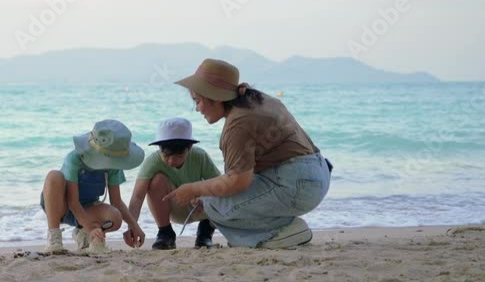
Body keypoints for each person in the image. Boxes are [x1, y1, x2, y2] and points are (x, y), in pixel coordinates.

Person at [168, 59, 332, 248]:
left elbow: (237, 182)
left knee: (212, 205)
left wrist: (194, 189)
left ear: (214, 96)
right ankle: (278, 231)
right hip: (317, 175)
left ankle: (279, 232)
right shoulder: (258, 100)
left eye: (197, 101)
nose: (197, 108)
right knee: (213, 198)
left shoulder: (238, 123)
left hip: (296, 184)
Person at [40, 119, 146, 253]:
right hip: (60, 206)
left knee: (115, 216)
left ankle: (85, 235)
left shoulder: (113, 166)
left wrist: (134, 226)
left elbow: (117, 202)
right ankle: (54, 237)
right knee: (54, 176)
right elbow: (73, 202)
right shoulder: (75, 159)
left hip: (88, 209)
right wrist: (90, 227)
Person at [128, 118, 222, 249]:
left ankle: (204, 235)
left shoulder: (199, 156)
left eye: (178, 156)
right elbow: (137, 197)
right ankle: (165, 233)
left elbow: (222, 187)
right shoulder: (153, 161)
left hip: (202, 208)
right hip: (173, 208)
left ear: (189, 147)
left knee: (220, 190)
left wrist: (204, 198)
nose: (171, 162)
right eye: (166, 155)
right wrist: (132, 226)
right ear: (159, 148)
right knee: (157, 180)